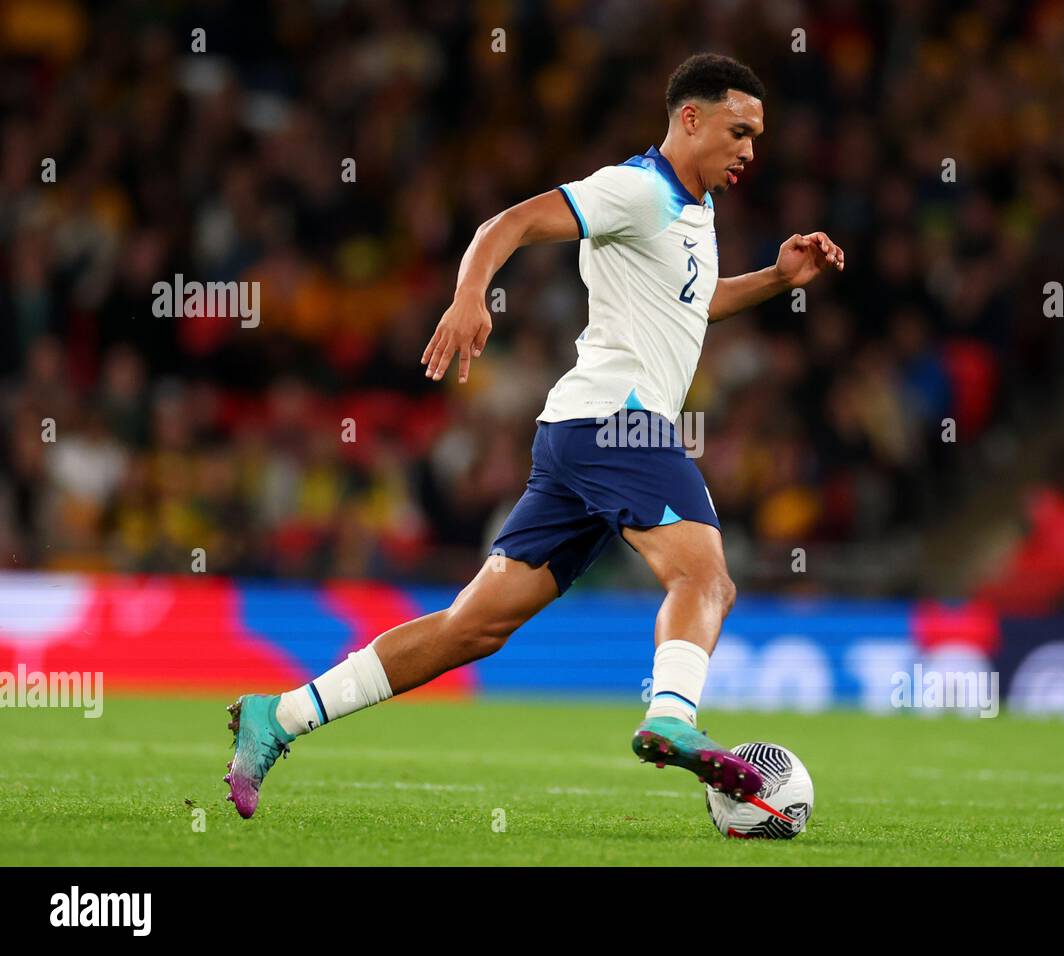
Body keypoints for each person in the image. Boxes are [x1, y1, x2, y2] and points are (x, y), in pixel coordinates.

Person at [224, 52, 844, 819]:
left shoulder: (693, 210)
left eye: (758, 136)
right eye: (739, 129)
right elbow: (507, 222)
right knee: (706, 578)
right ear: (690, 118)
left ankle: (277, 717)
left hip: (578, 434)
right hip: (620, 423)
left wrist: (777, 280)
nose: (751, 149)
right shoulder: (635, 189)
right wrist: (467, 298)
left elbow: (692, 305)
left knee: (470, 629)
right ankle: (672, 718)